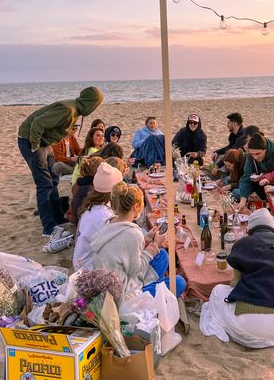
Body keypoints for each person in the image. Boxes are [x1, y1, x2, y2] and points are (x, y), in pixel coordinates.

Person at [200, 208, 274, 348]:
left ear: (250, 230)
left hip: (253, 323)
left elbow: (235, 283)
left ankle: (255, 337)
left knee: (218, 291)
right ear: (272, 227)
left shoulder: (244, 244)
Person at [17, 86, 103, 237]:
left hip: (46, 143)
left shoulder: (76, 111)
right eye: (95, 104)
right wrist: (35, 146)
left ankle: (58, 218)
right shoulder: (67, 110)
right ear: (90, 102)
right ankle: (48, 228)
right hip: (31, 140)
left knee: (53, 180)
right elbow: (38, 123)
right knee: (44, 184)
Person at [91, 182, 186, 297]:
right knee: (179, 282)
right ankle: (154, 294)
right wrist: (154, 246)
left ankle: (156, 287)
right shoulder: (132, 233)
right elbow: (136, 271)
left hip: (113, 281)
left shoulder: (110, 223)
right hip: (124, 294)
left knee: (162, 255)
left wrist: (146, 240)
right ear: (136, 206)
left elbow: (123, 252)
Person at [73, 161, 123, 270]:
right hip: (90, 271)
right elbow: (117, 250)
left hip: (81, 262)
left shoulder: (92, 206)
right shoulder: (104, 216)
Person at [237, 132, 274, 210]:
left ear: (265, 149)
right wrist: (243, 200)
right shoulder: (251, 155)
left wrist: (265, 176)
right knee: (238, 194)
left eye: (258, 153)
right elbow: (246, 177)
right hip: (260, 187)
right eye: (252, 154)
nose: (255, 157)